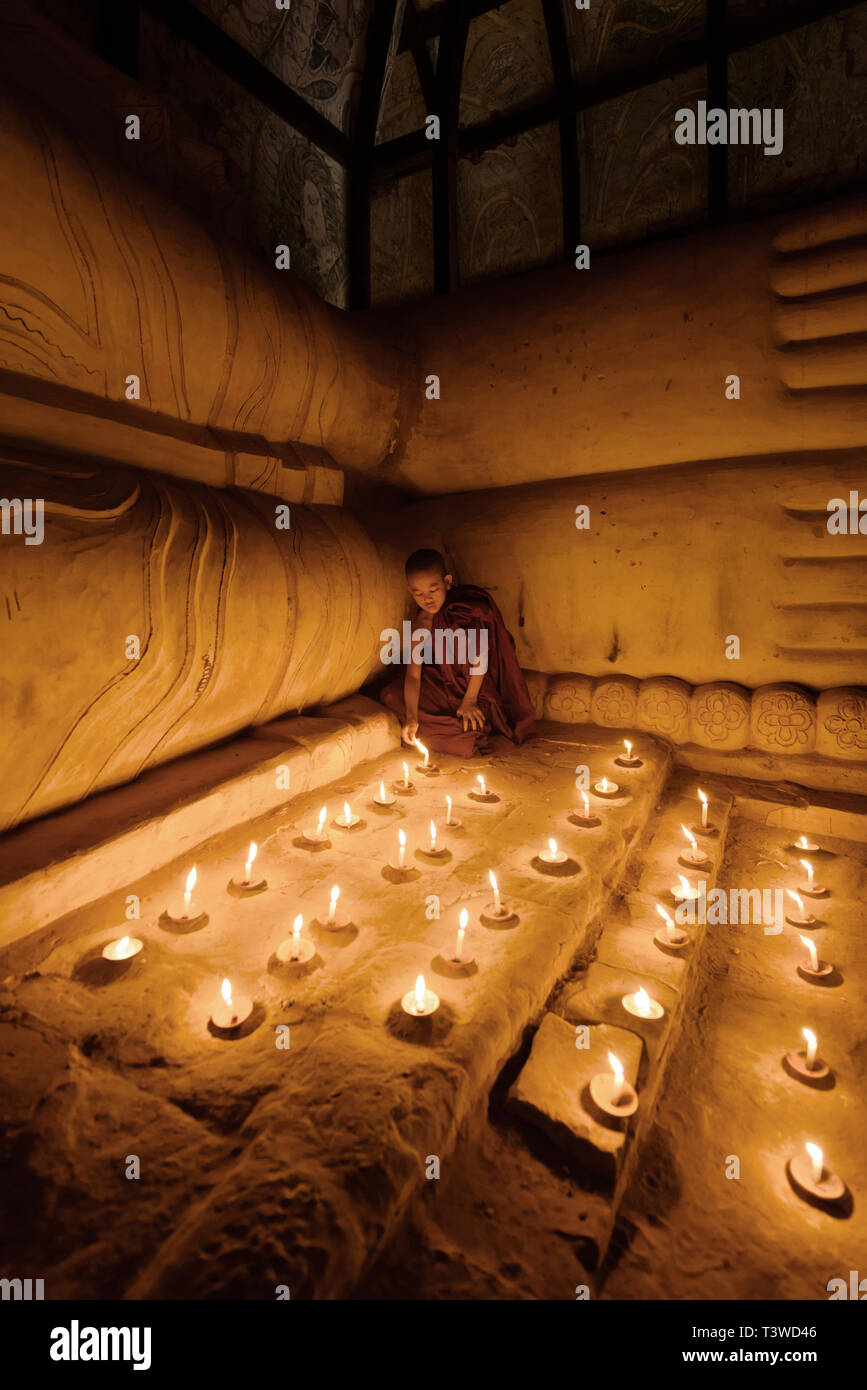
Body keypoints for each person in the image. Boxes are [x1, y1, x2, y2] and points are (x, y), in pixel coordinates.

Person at [380, 548, 536, 757]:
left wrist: (469, 700)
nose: (427, 599)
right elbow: (413, 675)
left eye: (433, 590)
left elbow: (481, 657)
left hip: (474, 685)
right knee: (392, 695)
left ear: (447, 582)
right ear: (410, 590)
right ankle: (449, 727)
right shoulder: (420, 625)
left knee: (465, 728)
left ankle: (462, 728)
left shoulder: (462, 611)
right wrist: (411, 717)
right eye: (418, 593)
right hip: (444, 685)